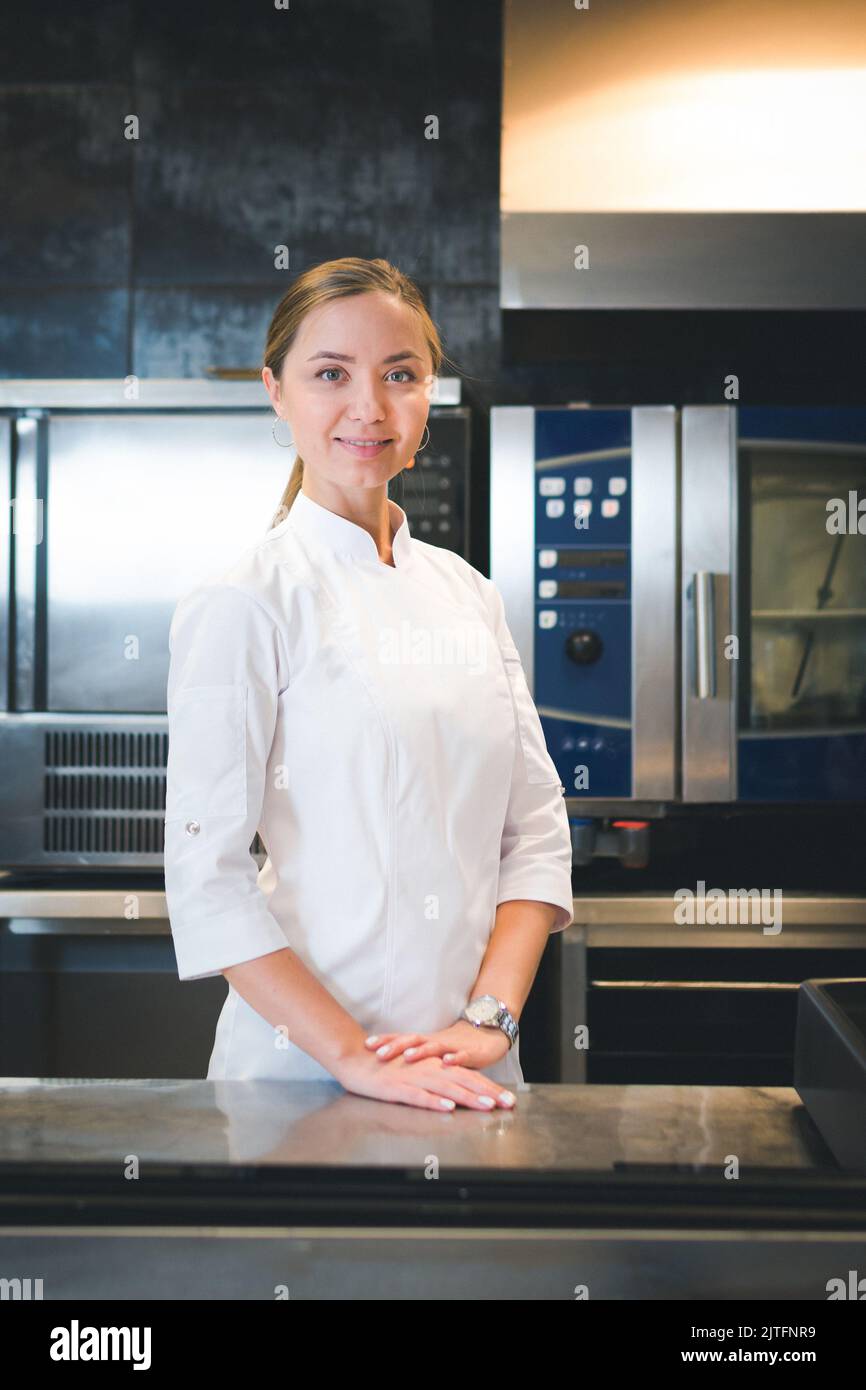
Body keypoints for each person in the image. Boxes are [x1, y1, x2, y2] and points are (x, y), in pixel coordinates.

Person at [163, 256, 574, 1112]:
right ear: (277, 392)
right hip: (298, 1081)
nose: (369, 408)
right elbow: (208, 876)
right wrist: (354, 1056)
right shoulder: (244, 601)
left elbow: (534, 834)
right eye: (330, 375)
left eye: (400, 375)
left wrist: (490, 1021)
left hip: (470, 1072)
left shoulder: (468, 594)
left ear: (430, 394)